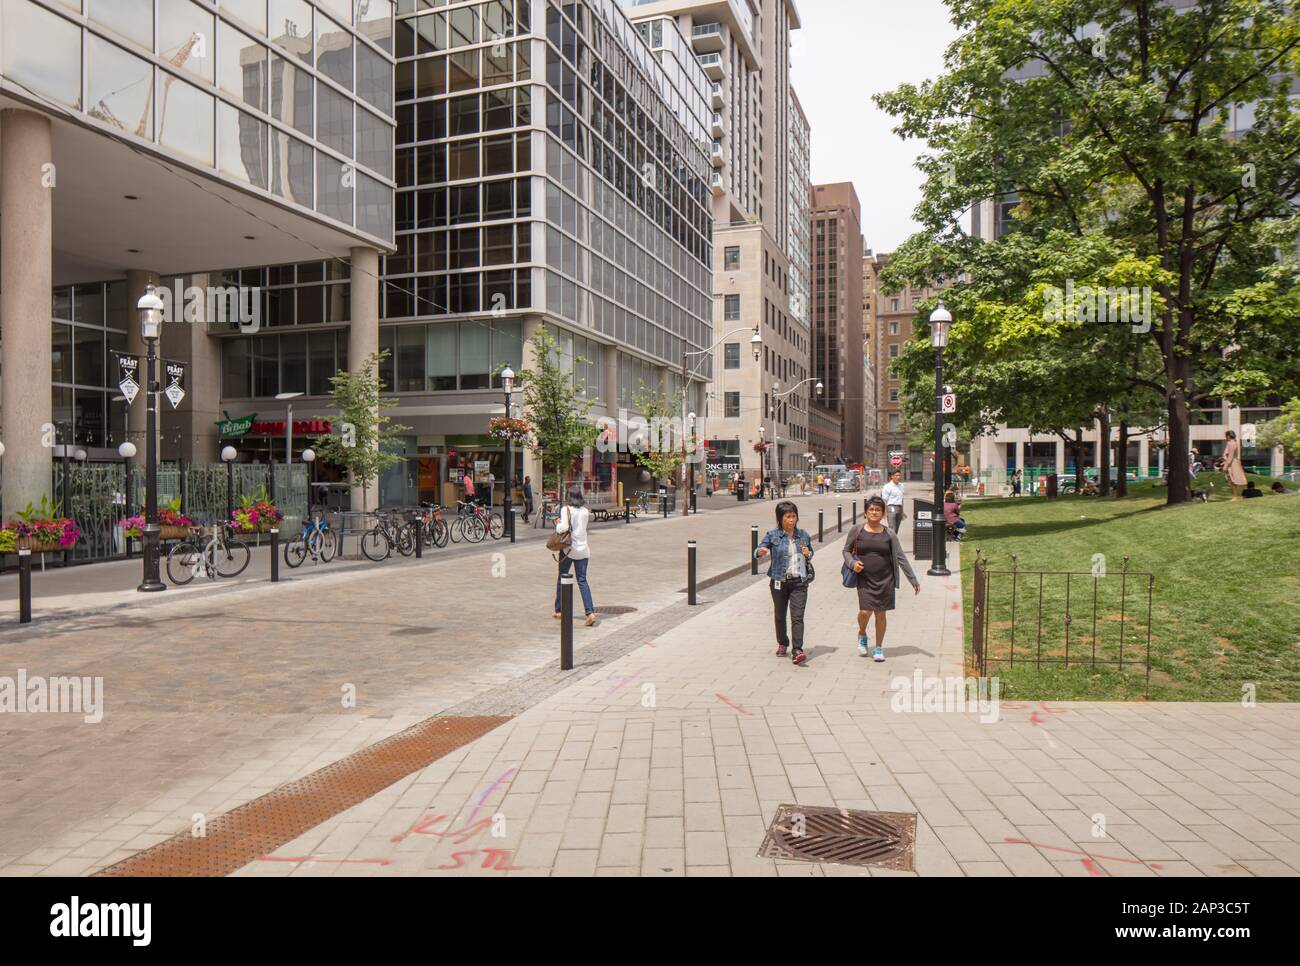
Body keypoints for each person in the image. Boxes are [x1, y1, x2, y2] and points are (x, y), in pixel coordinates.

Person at [843, 495, 920, 661]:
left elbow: (900, 557)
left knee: (880, 614)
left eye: (878, 510)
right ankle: (862, 633)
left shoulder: (889, 533)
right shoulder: (856, 530)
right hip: (864, 578)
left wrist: (913, 580)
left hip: (886, 579)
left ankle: (878, 648)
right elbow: (846, 551)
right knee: (865, 611)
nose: (874, 512)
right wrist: (852, 563)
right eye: (871, 509)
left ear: (884, 513)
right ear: (865, 512)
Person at [754, 500, 815, 665]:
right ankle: (782, 643)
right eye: (788, 517)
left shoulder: (803, 535)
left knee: (797, 617)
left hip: (799, 582)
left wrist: (808, 553)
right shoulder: (772, 535)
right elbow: (758, 550)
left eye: (794, 516)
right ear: (780, 518)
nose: (791, 520)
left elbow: (811, 553)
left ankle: (797, 650)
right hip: (778, 581)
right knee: (780, 616)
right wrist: (760, 551)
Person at [553, 488, 595, 627]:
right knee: (582, 580)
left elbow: (563, 528)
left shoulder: (566, 509)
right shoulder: (585, 511)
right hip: (583, 550)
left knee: (561, 578)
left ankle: (559, 610)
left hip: (569, 550)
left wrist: (558, 523)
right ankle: (590, 612)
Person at [1220, 430, 1248, 500]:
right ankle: (1234, 496)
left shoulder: (1232, 444)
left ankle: (1235, 496)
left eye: (1226, 436)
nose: (1225, 438)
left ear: (1229, 436)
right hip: (1231, 462)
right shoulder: (1231, 443)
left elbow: (1230, 456)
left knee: (1233, 480)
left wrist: (1225, 466)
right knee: (1231, 480)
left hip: (1232, 463)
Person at [883, 469, 905, 534]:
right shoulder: (887, 487)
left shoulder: (901, 485)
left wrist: (902, 511)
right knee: (892, 527)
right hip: (891, 507)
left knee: (897, 528)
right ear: (892, 476)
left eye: (899, 475)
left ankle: (893, 541)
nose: (898, 477)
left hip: (899, 507)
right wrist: (885, 512)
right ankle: (891, 542)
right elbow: (884, 500)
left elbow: (902, 498)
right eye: (896, 475)